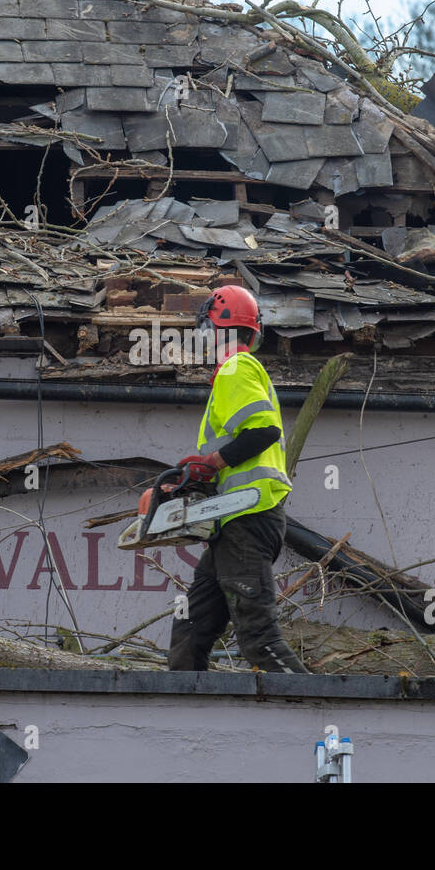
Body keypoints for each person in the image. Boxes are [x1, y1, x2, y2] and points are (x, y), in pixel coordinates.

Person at [167, 284, 311, 674]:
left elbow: (263, 432)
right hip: (230, 525)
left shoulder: (235, 367)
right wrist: (193, 477)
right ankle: (186, 716)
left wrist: (212, 461)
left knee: (259, 638)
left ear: (217, 329)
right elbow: (239, 444)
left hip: (249, 519)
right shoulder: (234, 373)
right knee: (190, 630)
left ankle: (321, 715)